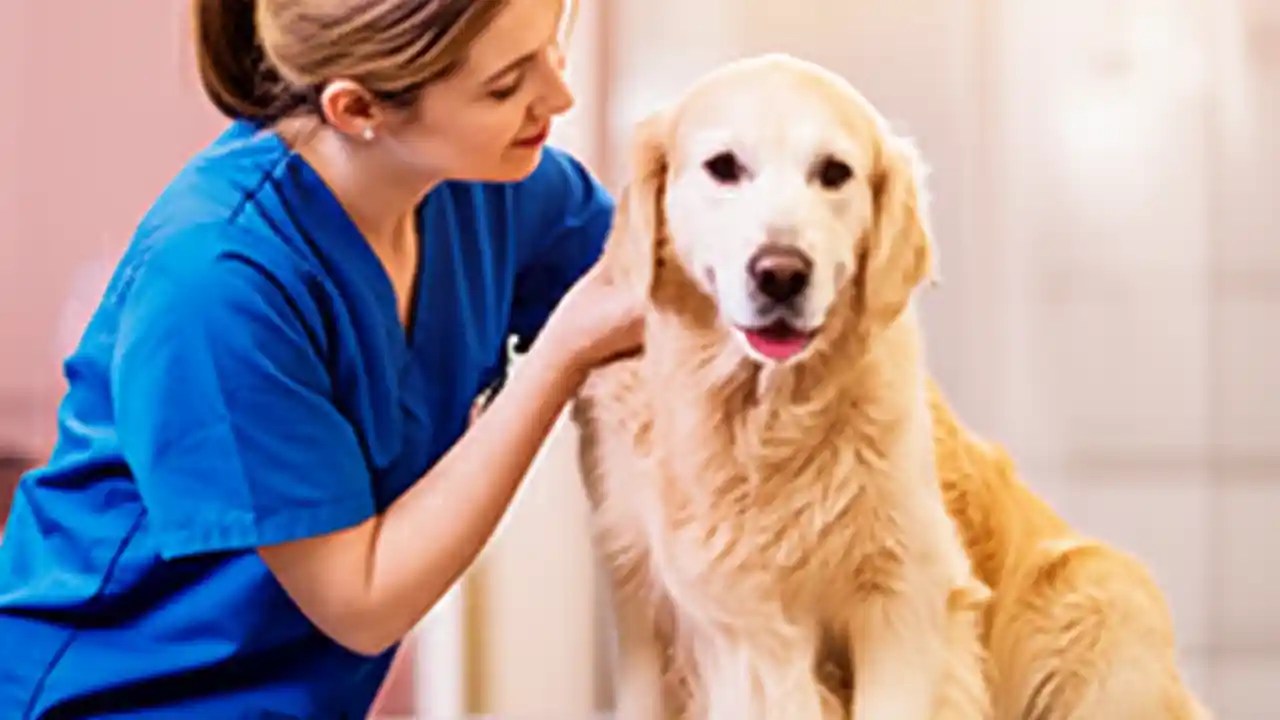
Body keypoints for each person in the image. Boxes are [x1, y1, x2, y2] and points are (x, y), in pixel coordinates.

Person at [0, 0, 642, 716]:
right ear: (358, 107)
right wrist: (559, 357)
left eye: (552, 50)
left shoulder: (498, 194)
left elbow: (660, 296)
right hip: (115, 699)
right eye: (505, 85)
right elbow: (361, 603)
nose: (559, 96)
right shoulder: (217, 282)